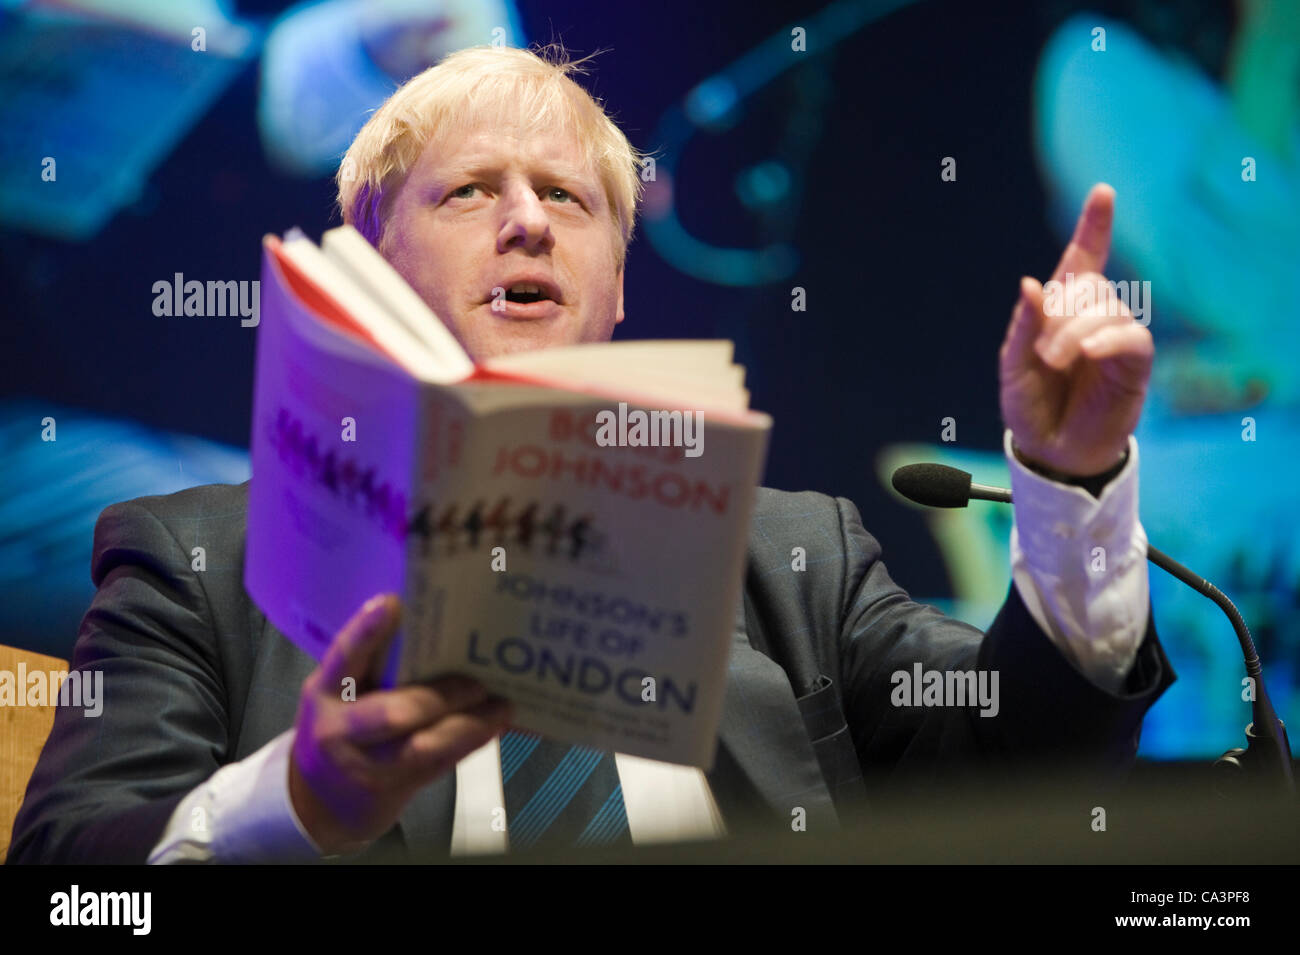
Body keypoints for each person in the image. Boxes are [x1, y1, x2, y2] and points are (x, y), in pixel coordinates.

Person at [8, 44, 1170, 864]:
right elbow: (74, 887)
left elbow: (1026, 755)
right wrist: (296, 801)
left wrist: (1072, 479)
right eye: (469, 190)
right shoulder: (199, 557)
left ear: (613, 287)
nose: (527, 220)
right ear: (364, 265)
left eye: (566, 196)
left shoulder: (791, 552)